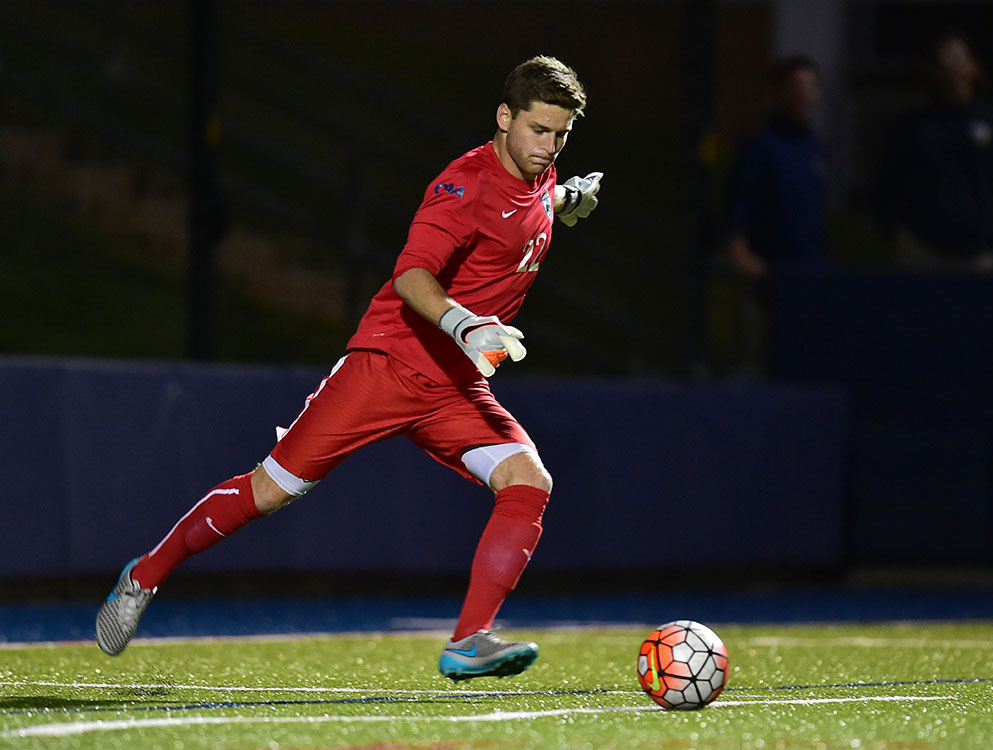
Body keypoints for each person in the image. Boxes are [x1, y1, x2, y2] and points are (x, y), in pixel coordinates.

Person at [95, 55, 602, 681]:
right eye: (538, 130)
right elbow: (411, 275)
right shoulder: (464, 187)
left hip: (455, 386)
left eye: (560, 135)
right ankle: (144, 575)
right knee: (269, 491)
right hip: (388, 367)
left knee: (529, 482)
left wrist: (566, 197)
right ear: (504, 117)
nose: (548, 146)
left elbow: (531, 199)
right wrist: (466, 324)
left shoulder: (539, 176)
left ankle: (469, 641)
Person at [880, 32, 993, 272]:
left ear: (975, 67)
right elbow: (890, 181)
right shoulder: (914, 127)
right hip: (923, 251)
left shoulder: (992, 122)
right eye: (945, 58)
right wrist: (893, 228)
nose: (953, 67)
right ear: (933, 70)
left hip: (981, 254)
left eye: (960, 57)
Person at [725, 55, 829, 279]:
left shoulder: (815, 148)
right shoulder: (760, 144)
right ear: (780, 91)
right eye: (796, 86)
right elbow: (740, 200)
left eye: (810, 86)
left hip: (812, 266)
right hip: (771, 268)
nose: (803, 93)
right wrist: (739, 250)